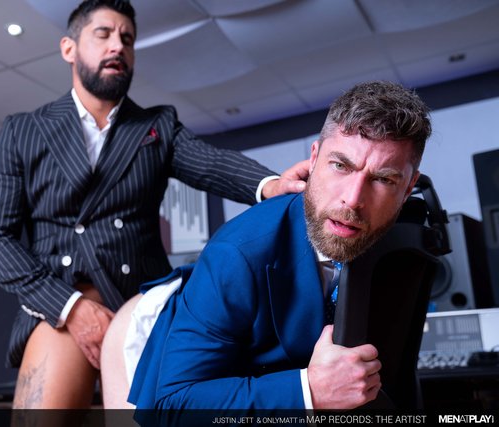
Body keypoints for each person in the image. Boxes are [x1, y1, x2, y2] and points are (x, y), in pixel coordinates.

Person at [0, 0, 309, 409]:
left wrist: (271, 184)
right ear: (69, 48)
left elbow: (210, 164)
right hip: (61, 304)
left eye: (127, 39)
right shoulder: (23, 130)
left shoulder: (157, 126)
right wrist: (70, 308)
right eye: (103, 34)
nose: (118, 45)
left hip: (144, 305)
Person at [101, 80, 432, 410]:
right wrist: (309, 391)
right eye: (340, 166)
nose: (353, 199)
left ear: (407, 188)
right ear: (314, 159)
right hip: (145, 338)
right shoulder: (236, 254)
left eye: (383, 179)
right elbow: (172, 404)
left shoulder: (402, 234)